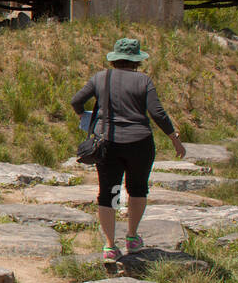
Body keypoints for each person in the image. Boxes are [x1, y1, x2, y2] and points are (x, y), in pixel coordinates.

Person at [70, 38, 186, 262]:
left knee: (109, 192)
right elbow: (157, 112)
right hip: (140, 143)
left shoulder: (100, 78)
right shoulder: (144, 81)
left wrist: (83, 116)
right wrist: (174, 139)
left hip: (108, 143)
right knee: (137, 188)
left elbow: (77, 101)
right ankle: (132, 237)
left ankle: (110, 245)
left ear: (115, 59)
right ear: (137, 61)